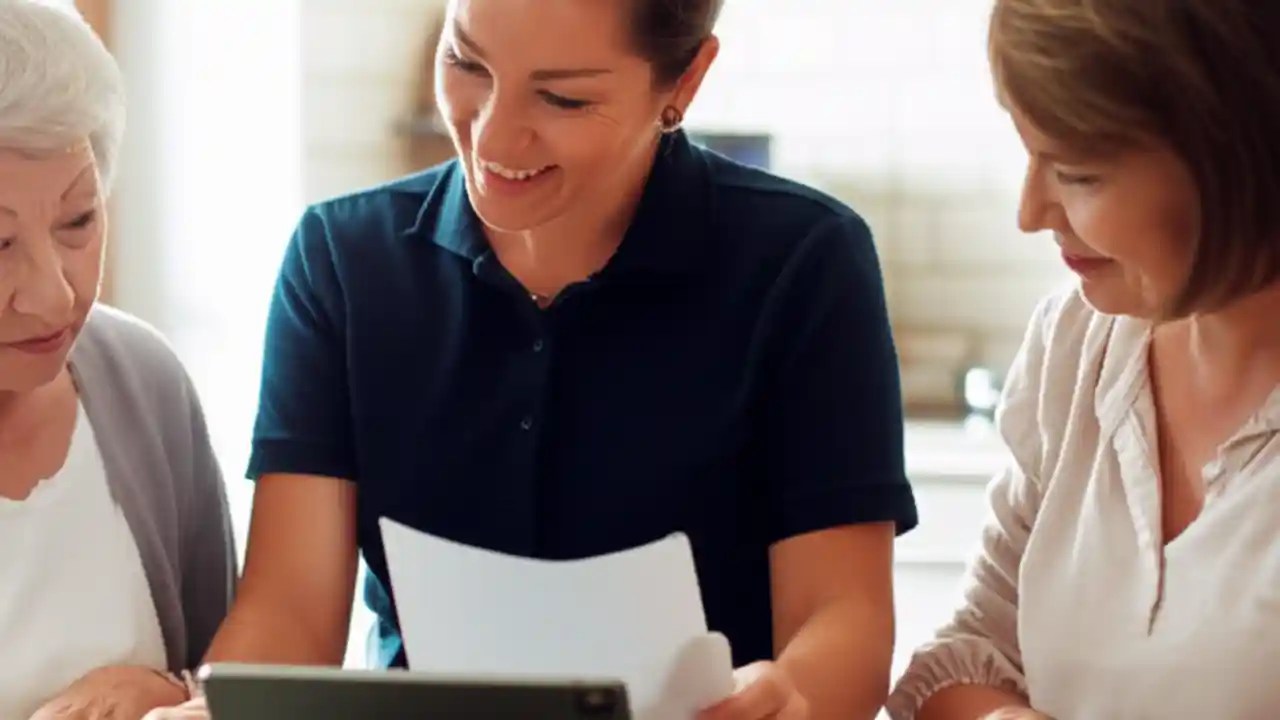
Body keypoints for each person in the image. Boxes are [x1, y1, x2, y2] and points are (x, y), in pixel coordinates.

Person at [151, 0, 918, 718]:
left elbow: (839, 615)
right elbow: (289, 610)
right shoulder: (341, 263)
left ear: (685, 80)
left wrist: (788, 694)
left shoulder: (803, 263)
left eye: (562, 99)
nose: (491, 137)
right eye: (468, 65)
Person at [887, 1, 1280, 719]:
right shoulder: (1081, 343)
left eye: (1077, 173)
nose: (1031, 211)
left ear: (1238, 158)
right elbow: (966, 659)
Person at [0, 1, 237, 718]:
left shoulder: (143, 383)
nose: (53, 294)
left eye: (79, 220)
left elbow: (231, 677)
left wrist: (176, 693)